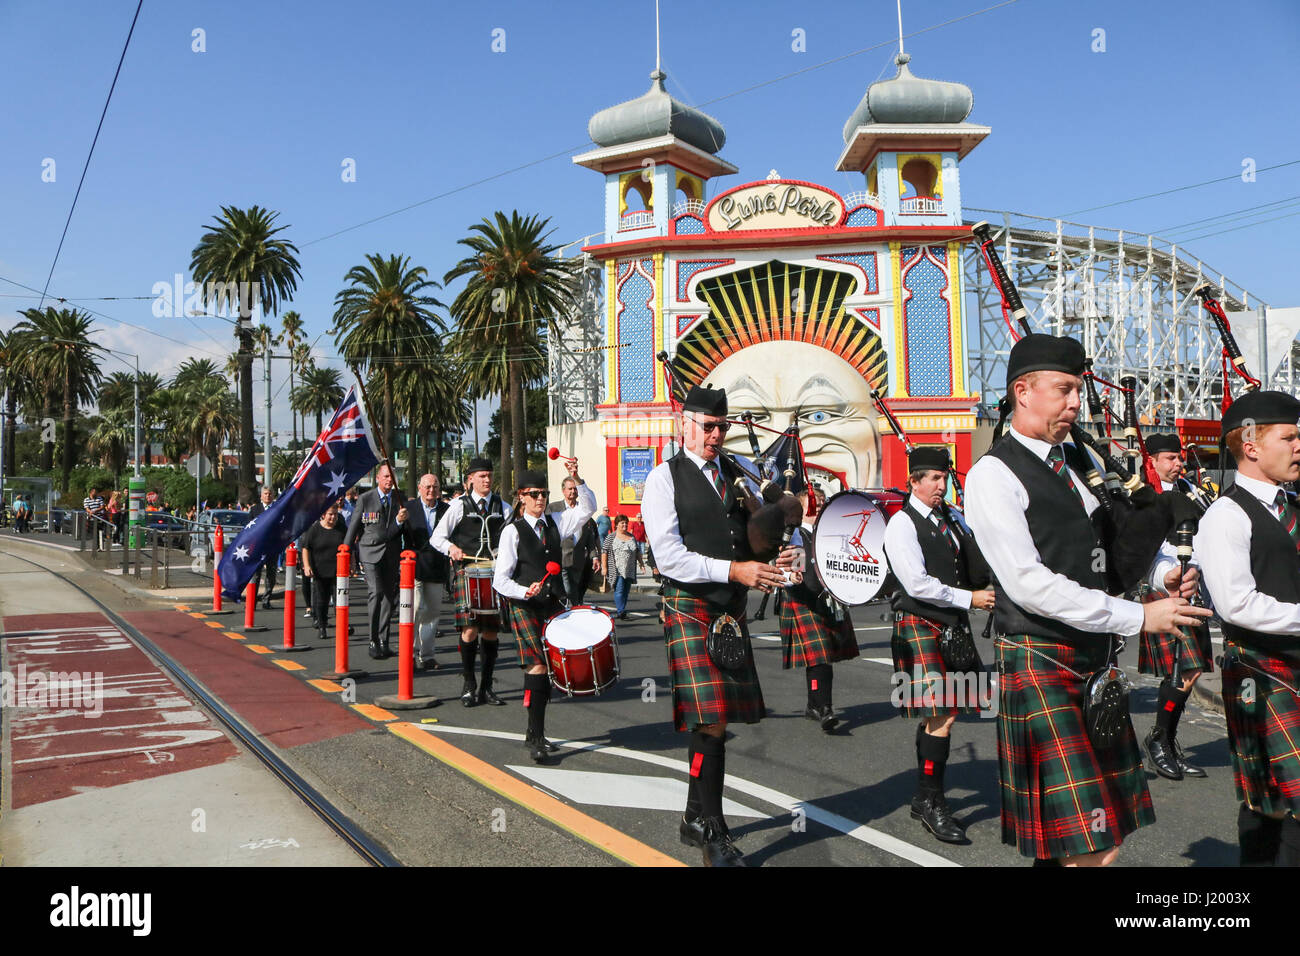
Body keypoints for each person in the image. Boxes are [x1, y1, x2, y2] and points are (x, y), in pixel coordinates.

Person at [965, 333, 1211, 866]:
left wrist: (1160, 577)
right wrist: (1136, 617)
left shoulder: (1077, 464)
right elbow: (1028, 582)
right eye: (1064, 390)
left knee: (1077, 841)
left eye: (1077, 390)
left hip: (1094, 663)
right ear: (1022, 392)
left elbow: (1108, 549)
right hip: (1041, 659)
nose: (1076, 402)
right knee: (1094, 845)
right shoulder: (992, 474)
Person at [642, 384, 798, 867]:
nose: (716, 435)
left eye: (722, 427)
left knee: (716, 720)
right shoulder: (663, 479)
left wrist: (775, 556)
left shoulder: (736, 476)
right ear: (683, 425)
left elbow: (749, 539)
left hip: (727, 609)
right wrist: (735, 571)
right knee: (710, 718)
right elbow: (669, 557)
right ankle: (713, 829)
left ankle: (694, 816)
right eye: (708, 426)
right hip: (689, 605)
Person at [1194, 390, 1300, 865]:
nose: (1299, 446)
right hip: (1264, 669)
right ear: (1252, 445)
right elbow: (1236, 604)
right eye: (1290, 437)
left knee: (1274, 802)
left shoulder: (1293, 506)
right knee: (1276, 798)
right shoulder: (1226, 515)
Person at [882, 447, 994, 844]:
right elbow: (916, 584)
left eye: (944, 477)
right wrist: (971, 599)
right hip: (920, 624)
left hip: (952, 627)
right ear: (913, 481)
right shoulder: (902, 524)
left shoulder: (951, 519)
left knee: (942, 716)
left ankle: (922, 797)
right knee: (942, 715)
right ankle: (931, 801)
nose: (940, 485)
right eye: (932, 478)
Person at [493, 460, 595, 762]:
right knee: (537, 667)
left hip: (552, 605)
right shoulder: (512, 531)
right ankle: (535, 737)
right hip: (525, 605)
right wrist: (524, 590)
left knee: (548, 670)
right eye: (535, 494)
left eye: (544, 493)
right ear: (521, 496)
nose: (540, 499)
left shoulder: (557, 521)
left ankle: (535, 732)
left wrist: (577, 477)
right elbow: (500, 579)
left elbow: (588, 508)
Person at [1137, 432, 1214, 781]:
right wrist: (1166, 577)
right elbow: (1140, 552)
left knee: (1191, 672)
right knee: (1183, 672)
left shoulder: (1189, 493)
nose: (1178, 463)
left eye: (1179, 457)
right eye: (1169, 458)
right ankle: (1160, 740)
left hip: (1191, 588)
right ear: (1150, 461)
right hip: (1163, 591)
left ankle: (1163, 739)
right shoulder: (1144, 497)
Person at [781, 486, 860, 736]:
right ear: (801, 510)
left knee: (821, 656)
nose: (821, 507)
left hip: (829, 599)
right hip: (804, 598)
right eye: (814, 503)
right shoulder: (795, 535)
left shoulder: (831, 535)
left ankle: (814, 704)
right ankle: (823, 707)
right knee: (819, 655)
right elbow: (790, 568)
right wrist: (790, 576)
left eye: (823, 502)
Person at [432, 457, 512, 706]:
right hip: (467, 572)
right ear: (470, 480)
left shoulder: (503, 506)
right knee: (469, 630)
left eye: (489, 475)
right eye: (481, 476)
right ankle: (469, 684)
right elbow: (437, 538)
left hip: (495, 574)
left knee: (490, 632)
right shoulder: (458, 506)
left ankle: (487, 688)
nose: (487, 480)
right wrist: (452, 548)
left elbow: (513, 537)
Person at [343, 463, 409, 659]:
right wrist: (347, 551)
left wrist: (401, 523)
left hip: (391, 553)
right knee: (376, 592)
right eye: (386, 476)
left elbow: (405, 529)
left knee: (389, 597)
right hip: (370, 551)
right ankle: (372, 639)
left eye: (392, 477)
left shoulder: (400, 499)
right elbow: (354, 526)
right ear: (378, 478)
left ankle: (383, 640)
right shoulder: (365, 499)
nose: (390, 480)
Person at [404, 473, 450, 671]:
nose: (431, 491)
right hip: (414, 567)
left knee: (432, 613)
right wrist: (399, 521)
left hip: (437, 566)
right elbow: (396, 533)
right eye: (428, 487)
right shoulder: (408, 509)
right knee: (414, 611)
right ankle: (410, 654)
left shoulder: (447, 510)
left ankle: (427, 655)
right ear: (420, 488)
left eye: (435, 487)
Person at [551, 476, 601, 606]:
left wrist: (594, 557)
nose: (573, 491)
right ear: (563, 491)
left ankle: (574, 611)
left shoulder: (584, 511)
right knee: (568, 591)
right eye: (570, 489)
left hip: (579, 560)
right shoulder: (553, 509)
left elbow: (589, 537)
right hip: (561, 560)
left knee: (576, 591)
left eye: (575, 489)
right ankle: (571, 610)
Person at [299, 503, 346, 640]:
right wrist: (307, 566)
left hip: (338, 571)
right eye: (330, 514)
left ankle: (342, 626)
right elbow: (306, 548)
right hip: (320, 570)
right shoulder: (314, 529)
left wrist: (352, 563)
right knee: (322, 600)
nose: (333, 517)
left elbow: (348, 547)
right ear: (324, 515)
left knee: (340, 600)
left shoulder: (341, 528)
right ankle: (322, 626)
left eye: (336, 514)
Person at [601, 514, 638, 619]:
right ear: (616, 525)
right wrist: (604, 567)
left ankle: (622, 609)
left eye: (626, 523)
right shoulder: (611, 537)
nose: (625, 525)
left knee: (626, 591)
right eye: (622, 523)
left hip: (629, 569)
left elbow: (637, 551)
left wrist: (641, 563)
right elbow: (604, 551)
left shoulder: (631, 537)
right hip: (616, 568)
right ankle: (621, 611)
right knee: (620, 589)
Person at [248, 486, 279, 608]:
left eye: (270, 494)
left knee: (271, 575)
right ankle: (253, 601)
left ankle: (266, 600)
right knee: (256, 575)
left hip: (272, 547)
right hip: (258, 548)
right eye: (265, 494)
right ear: (261, 495)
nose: (267, 496)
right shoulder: (254, 510)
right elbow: (249, 529)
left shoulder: (277, 509)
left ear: (273, 496)